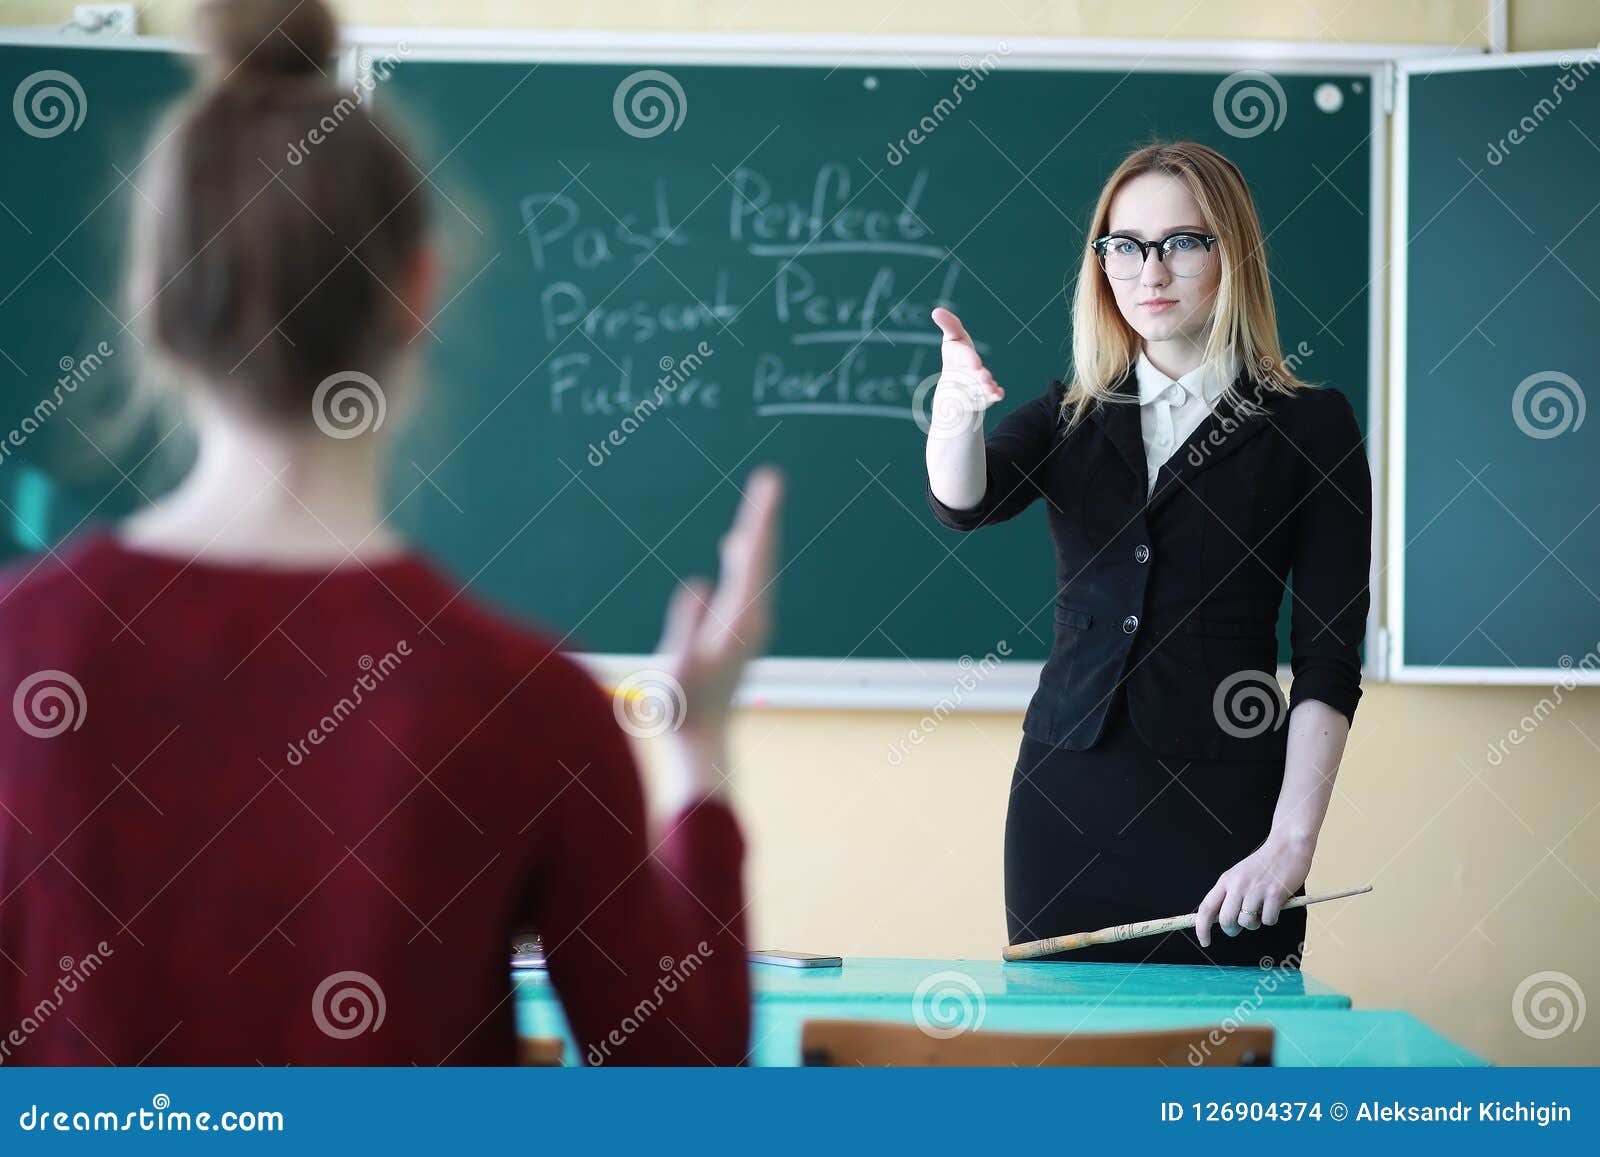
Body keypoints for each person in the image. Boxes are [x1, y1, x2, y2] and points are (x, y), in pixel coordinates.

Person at [0, 0, 778, 1064]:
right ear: (419, 292)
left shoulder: (19, 647)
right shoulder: (528, 703)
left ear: (152, 301)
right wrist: (699, 749)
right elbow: (683, 1086)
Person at [924, 141, 1371, 966]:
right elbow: (965, 503)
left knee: (1224, 1075)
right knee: (1066, 1075)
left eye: (1183, 243)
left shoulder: (1311, 426)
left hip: (1230, 815)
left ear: (1229, 252)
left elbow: (1327, 656)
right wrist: (954, 411)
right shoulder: (1071, 412)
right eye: (1124, 246)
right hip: (1067, 804)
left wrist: (1291, 844)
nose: (1149, 272)